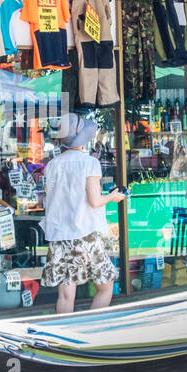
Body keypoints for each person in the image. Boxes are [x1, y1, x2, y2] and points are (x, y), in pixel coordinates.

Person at [40, 114, 126, 314]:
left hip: (60, 235)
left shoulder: (52, 165)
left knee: (66, 295)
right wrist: (113, 197)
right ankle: (91, 327)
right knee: (105, 285)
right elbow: (95, 201)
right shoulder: (89, 163)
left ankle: (65, 338)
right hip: (85, 233)